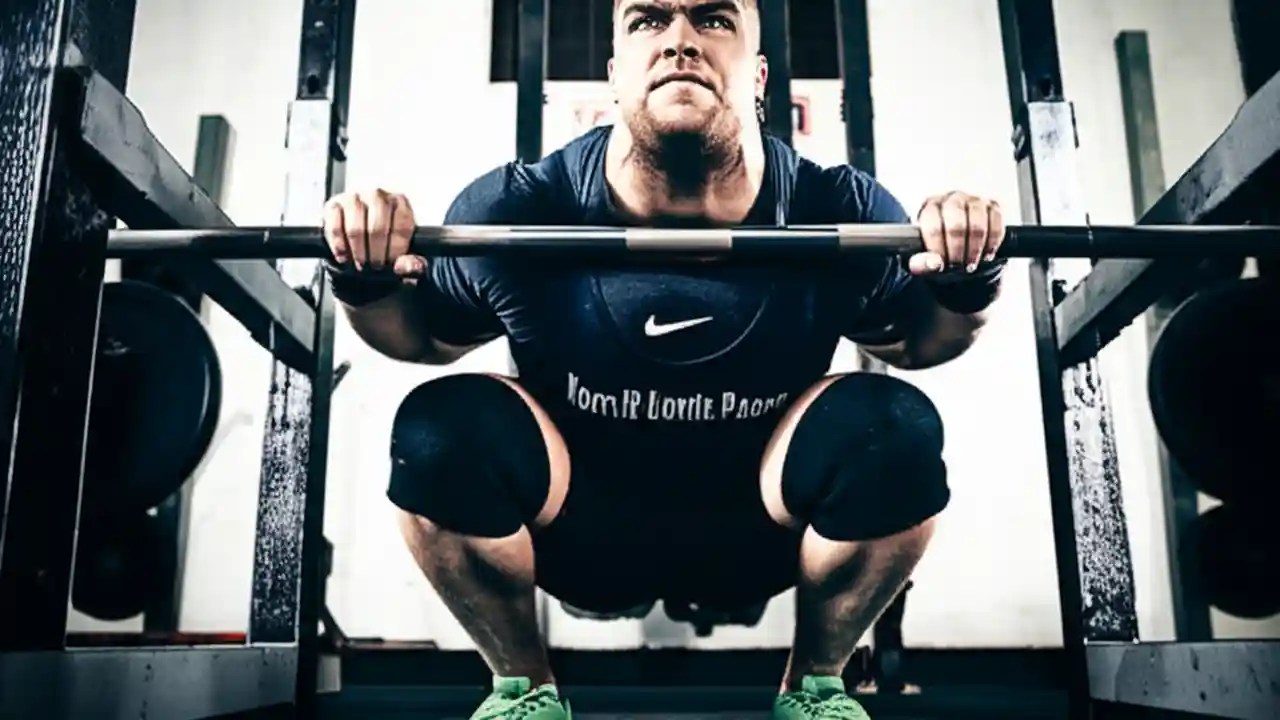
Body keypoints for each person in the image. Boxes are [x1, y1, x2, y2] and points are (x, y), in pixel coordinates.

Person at [322, 1, 1007, 718]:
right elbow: (424, 338)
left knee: (895, 427)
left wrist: (969, 280)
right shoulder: (523, 207)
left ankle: (815, 688)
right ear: (615, 76)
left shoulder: (835, 207)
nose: (680, 41)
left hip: (763, 530)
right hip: (575, 528)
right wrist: (362, 278)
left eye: (714, 20)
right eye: (649, 19)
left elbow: (921, 343)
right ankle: (524, 690)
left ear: (759, 74)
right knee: (439, 431)